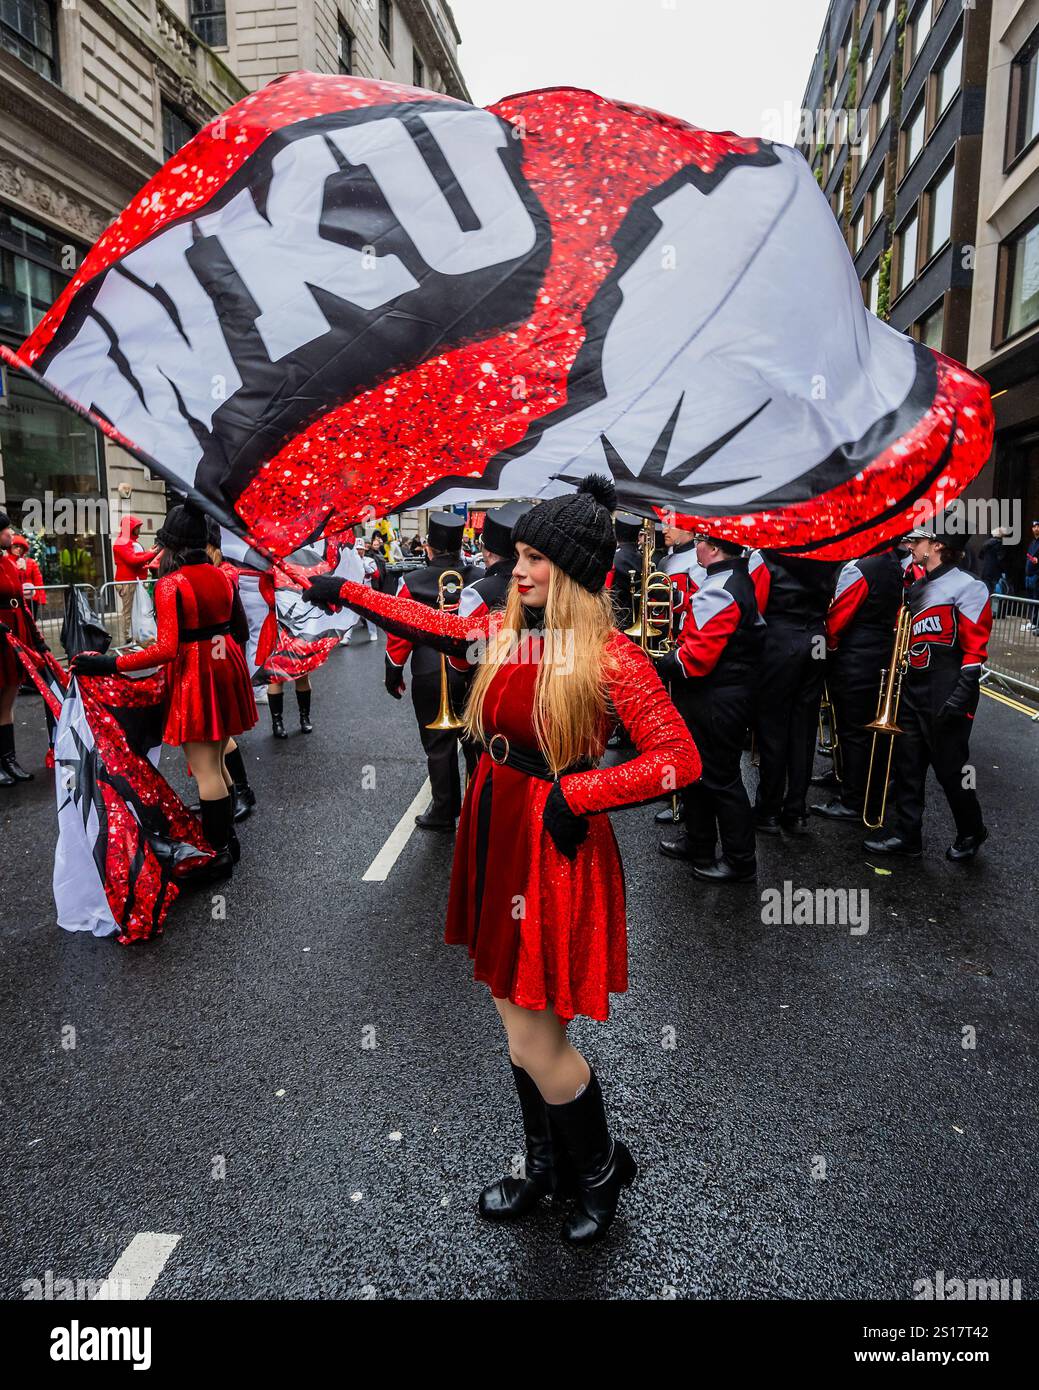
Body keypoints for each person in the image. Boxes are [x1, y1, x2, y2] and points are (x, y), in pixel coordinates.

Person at [305, 476, 701, 1245]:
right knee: (512, 1015)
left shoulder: (609, 654)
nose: (518, 570)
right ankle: (547, 1165)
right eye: (517, 555)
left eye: (534, 558)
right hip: (499, 821)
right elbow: (426, 620)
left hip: (549, 841)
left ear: (576, 571)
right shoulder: (508, 630)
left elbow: (677, 761)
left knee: (534, 1037)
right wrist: (341, 590)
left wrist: (580, 794)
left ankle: (598, 1169)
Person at [71, 504, 257, 880]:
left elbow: (166, 648)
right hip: (225, 665)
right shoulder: (223, 575)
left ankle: (219, 855)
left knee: (205, 769)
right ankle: (228, 844)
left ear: (169, 543)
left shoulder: (172, 583)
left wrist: (107, 663)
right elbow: (238, 628)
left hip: (198, 673)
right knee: (218, 758)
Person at [863, 523, 991, 862]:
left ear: (936, 546)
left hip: (948, 689)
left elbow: (975, 650)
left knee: (951, 771)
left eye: (917, 540)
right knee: (908, 765)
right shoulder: (917, 587)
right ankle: (908, 836)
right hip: (913, 688)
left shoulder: (969, 587)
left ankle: (971, 829)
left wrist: (961, 695)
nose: (911, 545)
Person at [655, 536, 763, 882]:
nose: (696, 546)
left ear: (714, 550)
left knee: (721, 779)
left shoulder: (720, 589)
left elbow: (694, 661)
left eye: (701, 541)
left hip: (716, 697)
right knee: (695, 773)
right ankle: (699, 842)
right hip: (719, 693)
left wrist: (658, 661)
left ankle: (740, 860)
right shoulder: (728, 579)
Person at [383, 512, 483, 831]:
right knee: (476, 741)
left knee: (438, 745)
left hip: (429, 671)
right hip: (474, 668)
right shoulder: (480, 575)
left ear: (429, 548)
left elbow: (400, 632)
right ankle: (482, 805)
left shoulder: (411, 582)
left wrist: (393, 673)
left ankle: (444, 810)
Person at [810, 547, 904, 823]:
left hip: (854, 658)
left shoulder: (861, 568)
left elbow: (839, 618)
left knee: (851, 731)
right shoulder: (892, 563)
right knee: (861, 730)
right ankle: (853, 781)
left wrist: (829, 648)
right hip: (880, 653)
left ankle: (852, 799)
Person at [752, 551, 839, 835]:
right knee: (803, 729)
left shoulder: (766, 557)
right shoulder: (827, 555)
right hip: (815, 638)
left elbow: (757, 609)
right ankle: (796, 810)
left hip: (779, 640)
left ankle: (768, 811)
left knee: (773, 728)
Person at [449, 502, 531, 781]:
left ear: (487, 551)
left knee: (483, 772)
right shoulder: (547, 583)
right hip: (536, 692)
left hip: (489, 697)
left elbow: (464, 658)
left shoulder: (477, 593)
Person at [0, 511, 38, 786]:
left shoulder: (9, 563)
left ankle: (8, 759)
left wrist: (38, 639)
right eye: (6, 531)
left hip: (12, 633)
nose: (11, 535)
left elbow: (21, 604)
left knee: (8, 697)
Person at [112, 513, 159, 638]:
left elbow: (135, 558)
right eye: (137, 527)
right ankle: (128, 637)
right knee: (129, 611)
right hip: (127, 582)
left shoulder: (128, 541)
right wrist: (150, 554)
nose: (139, 529)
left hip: (132, 581)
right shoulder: (122, 542)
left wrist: (149, 553)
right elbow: (132, 559)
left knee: (134, 610)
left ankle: (134, 636)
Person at [10, 535, 45, 619]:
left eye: (20, 547)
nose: (18, 549)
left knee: (31, 622)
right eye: (16, 546)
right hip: (15, 599)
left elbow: (38, 581)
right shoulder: (8, 562)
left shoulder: (31, 562)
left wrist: (42, 599)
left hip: (31, 599)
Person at [978, 528, 1011, 594]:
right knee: (995, 592)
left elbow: (980, 556)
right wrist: (1005, 572)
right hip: (995, 574)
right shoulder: (999, 545)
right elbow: (1001, 560)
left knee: (986, 590)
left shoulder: (986, 543)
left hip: (985, 571)